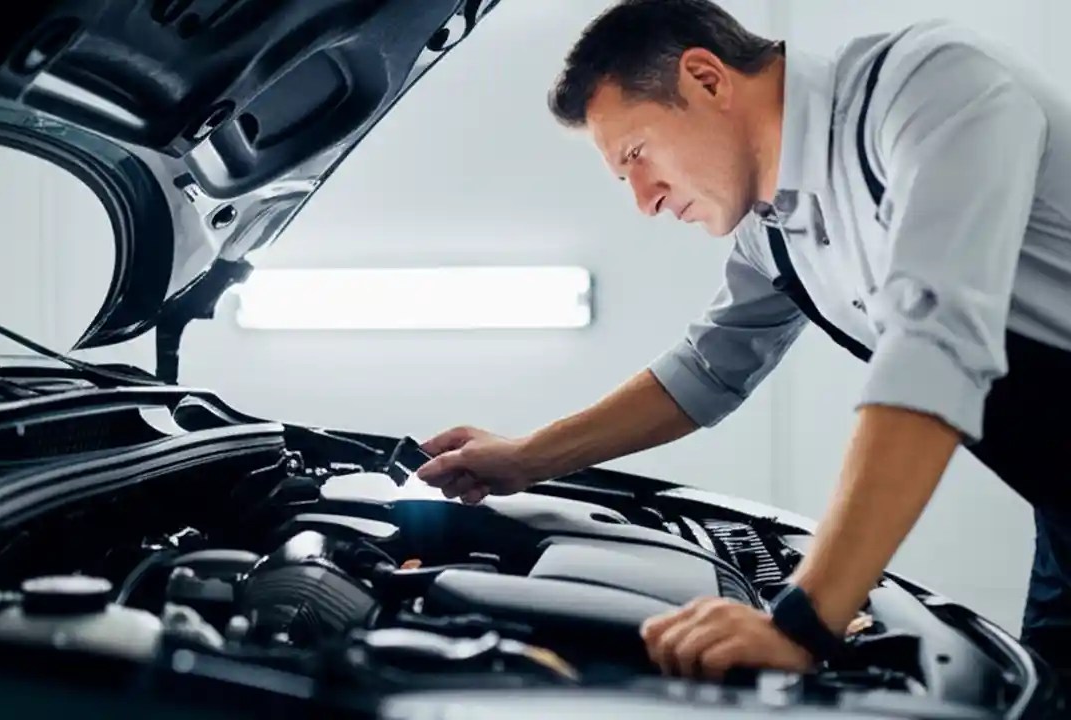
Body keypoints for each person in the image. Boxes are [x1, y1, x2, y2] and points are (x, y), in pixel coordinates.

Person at [416, 0, 1071, 682]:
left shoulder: (931, 89)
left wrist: (804, 620)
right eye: (622, 177)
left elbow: (935, 344)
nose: (645, 200)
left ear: (706, 78)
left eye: (637, 155)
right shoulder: (773, 235)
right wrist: (526, 459)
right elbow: (707, 370)